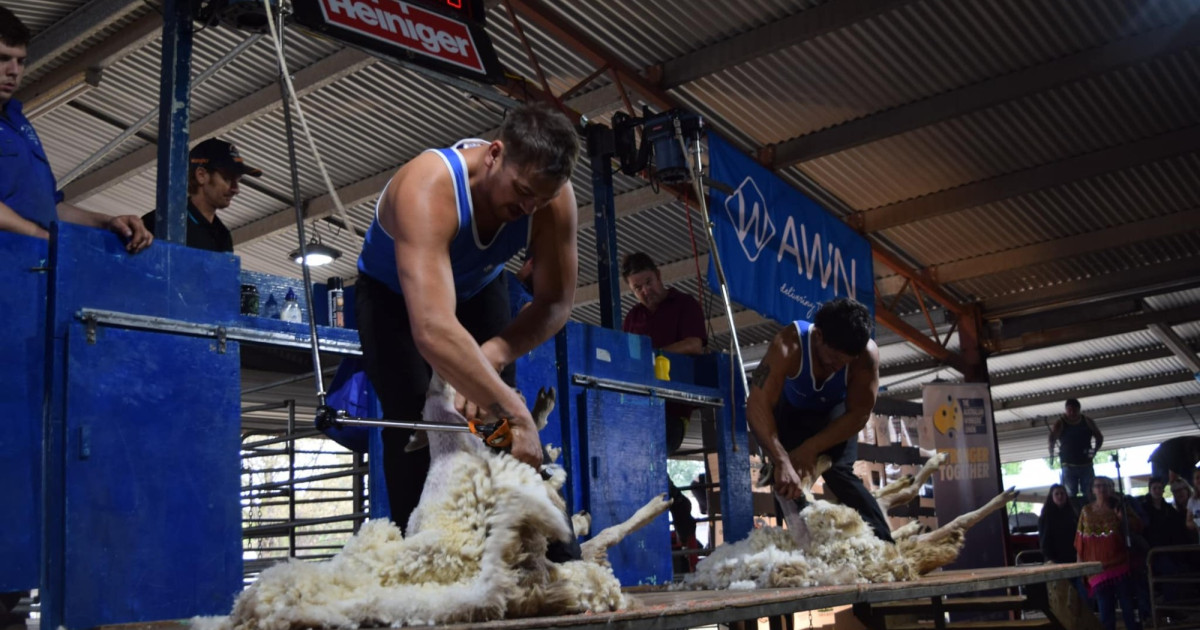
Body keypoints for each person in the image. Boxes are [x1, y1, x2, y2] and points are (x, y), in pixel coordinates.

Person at [354, 103, 579, 538]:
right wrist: (517, 413)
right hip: (392, 297)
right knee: (417, 420)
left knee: (491, 425)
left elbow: (555, 303)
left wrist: (495, 352)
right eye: (522, 190)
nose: (530, 206)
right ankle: (420, 556)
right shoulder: (429, 184)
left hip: (477, 287)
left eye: (543, 198)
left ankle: (534, 550)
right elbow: (434, 328)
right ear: (494, 153)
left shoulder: (552, 198)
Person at [0, 5, 151, 252]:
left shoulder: (18, 122)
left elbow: (50, 208)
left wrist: (107, 222)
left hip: (27, 270)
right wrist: (38, 236)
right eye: (3, 58)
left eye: (20, 61)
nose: (14, 71)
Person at [746, 297, 893, 543]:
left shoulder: (866, 356)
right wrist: (781, 459)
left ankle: (886, 544)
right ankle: (801, 544)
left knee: (840, 473)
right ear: (819, 336)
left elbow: (858, 414)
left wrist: (811, 449)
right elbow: (757, 404)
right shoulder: (788, 345)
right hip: (793, 411)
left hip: (836, 414)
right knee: (784, 476)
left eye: (845, 362)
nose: (837, 366)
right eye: (833, 358)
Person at [620, 251, 708, 454]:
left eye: (648, 282)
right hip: (638, 408)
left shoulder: (685, 304)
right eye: (638, 288)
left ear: (659, 275)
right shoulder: (632, 318)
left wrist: (652, 355)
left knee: (648, 453)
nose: (646, 291)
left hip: (673, 412)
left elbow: (694, 344)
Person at [140, 138, 263, 252]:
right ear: (201, 175)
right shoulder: (158, 223)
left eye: (238, 180)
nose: (236, 189)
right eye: (227, 179)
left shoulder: (222, 235)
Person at [1076, 477, 1143, 630]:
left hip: (1120, 565)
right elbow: (1080, 540)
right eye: (1098, 486)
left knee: (1128, 608)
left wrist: (1122, 517)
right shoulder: (1086, 511)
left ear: (1111, 488)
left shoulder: (1120, 506)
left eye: (1105, 486)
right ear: (1092, 490)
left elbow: (1138, 526)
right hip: (1097, 569)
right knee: (1106, 611)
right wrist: (1080, 567)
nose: (1102, 489)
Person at [1049, 399, 1103, 501]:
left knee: (1089, 493)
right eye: (1069, 410)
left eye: (1074, 410)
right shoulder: (1060, 423)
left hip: (1086, 463)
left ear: (1079, 410)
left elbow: (1099, 437)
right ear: (1066, 410)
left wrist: (1094, 451)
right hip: (1068, 464)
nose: (1072, 413)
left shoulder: (1087, 421)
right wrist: (1051, 452)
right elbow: (1051, 439)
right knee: (1069, 495)